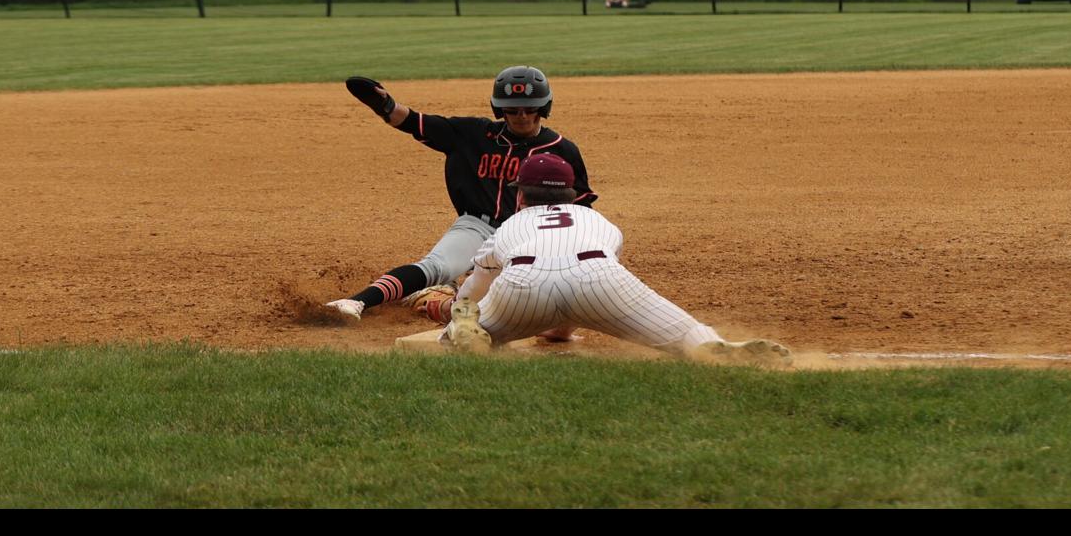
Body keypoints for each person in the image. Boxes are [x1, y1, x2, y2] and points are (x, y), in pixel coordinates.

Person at [419, 153, 792, 367]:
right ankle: (709, 346)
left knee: (463, 336)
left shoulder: (511, 225)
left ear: (521, 198)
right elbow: (575, 285)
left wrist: (461, 306)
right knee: (687, 333)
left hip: (522, 286)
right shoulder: (596, 220)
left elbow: (477, 286)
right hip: (599, 276)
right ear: (573, 195)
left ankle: (462, 334)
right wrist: (561, 327)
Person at [324, 67, 595, 322]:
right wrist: (386, 106)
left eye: (530, 109)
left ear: (544, 108)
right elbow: (414, 122)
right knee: (435, 267)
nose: (521, 115)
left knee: (522, 297)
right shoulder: (473, 134)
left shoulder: (562, 149)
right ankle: (355, 302)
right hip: (477, 227)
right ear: (500, 109)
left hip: (529, 234)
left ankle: (440, 293)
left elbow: (582, 206)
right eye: (512, 109)